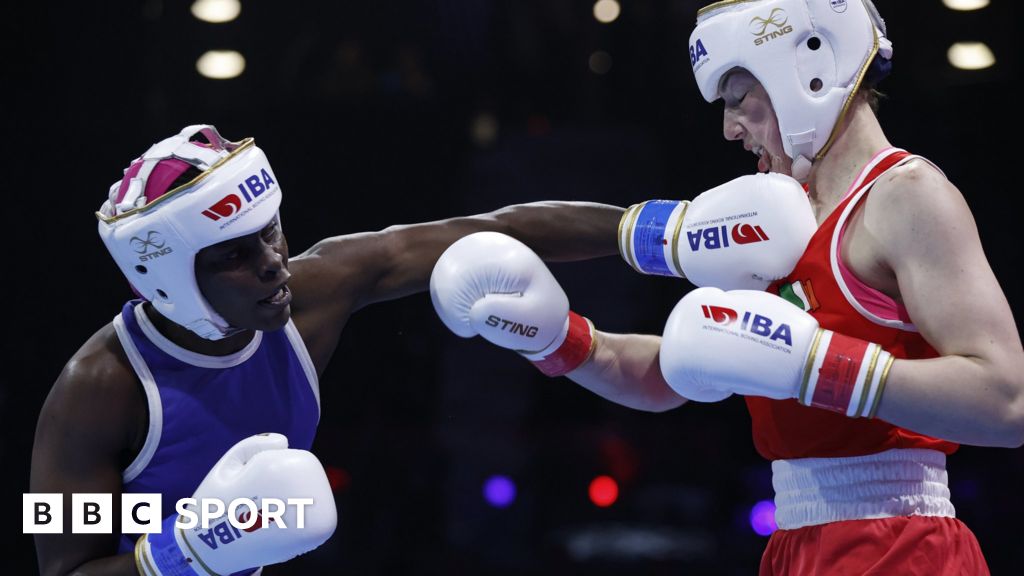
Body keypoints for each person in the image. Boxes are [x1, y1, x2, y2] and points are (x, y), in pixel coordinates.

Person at [429, 1, 1024, 574]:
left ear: (811, 70)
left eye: (740, 99)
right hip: (796, 543)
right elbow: (684, 368)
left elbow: (1006, 401)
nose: (728, 127)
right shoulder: (775, 219)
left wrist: (819, 365)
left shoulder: (906, 196)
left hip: (901, 544)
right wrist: (560, 341)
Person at [29, 124, 625, 576]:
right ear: (167, 279)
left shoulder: (314, 291)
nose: (273, 263)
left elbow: (492, 229)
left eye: (270, 229)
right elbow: (63, 569)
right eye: (235, 254)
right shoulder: (96, 390)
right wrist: (186, 551)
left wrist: (658, 234)